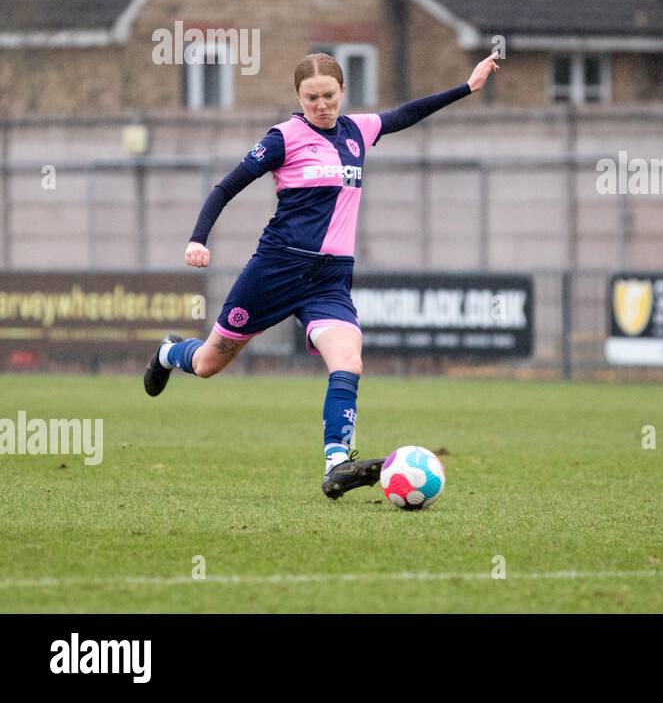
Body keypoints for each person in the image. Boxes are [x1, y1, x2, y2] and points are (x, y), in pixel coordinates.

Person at [142, 51, 502, 499]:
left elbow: (406, 113)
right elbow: (225, 187)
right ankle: (169, 353)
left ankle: (337, 463)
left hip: (330, 277)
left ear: (342, 92)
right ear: (299, 97)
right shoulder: (283, 138)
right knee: (209, 363)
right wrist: (198, 238)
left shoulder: (359, 131)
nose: (321, 105)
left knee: (348, 361)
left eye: (329, 96)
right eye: (311, 98)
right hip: (276, 268)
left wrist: (466, 87)